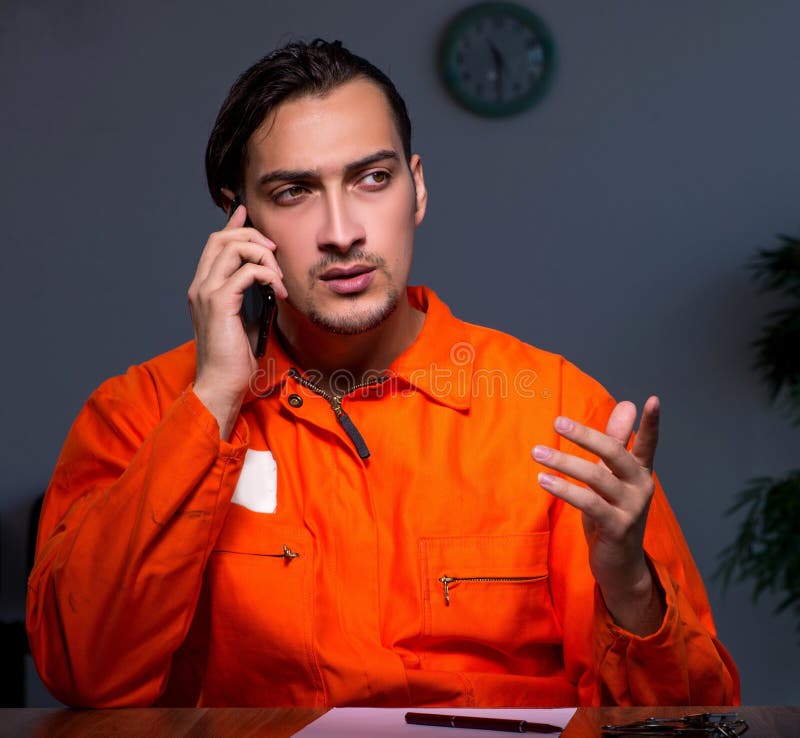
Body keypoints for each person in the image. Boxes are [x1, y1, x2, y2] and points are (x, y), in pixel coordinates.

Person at [26, 39, 739, 708]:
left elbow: (689, 718)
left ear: (417, 189)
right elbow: (84, 676)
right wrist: (213, 399)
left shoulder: (552, 411)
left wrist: (629, 586)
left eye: (372, 178)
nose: (343, 231)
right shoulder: (139, 412)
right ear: (237, 218)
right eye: (295, 191)